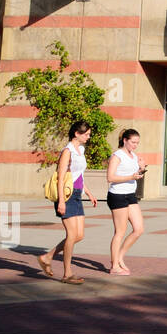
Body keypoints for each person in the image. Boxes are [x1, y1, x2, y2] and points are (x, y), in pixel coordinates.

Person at [38, 121, 98, 284]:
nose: (88, 137)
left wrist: (88, 191)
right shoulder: (67, 151)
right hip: (67, 196)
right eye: (86, 134)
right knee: (71, 235)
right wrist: (61, 202)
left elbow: (78, 174)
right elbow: (61, 177)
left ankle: (47, 257)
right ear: (76, 134)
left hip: (77, 193)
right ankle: (67, 274)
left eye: (89, 134)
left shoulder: (81, 150)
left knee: (79, 235)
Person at [106, 129, 148, 275]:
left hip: (130, 195)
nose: (135, 145)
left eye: (137, 142)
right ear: (125, 140)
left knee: (139, 229)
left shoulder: (133, 156)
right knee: (120, 232)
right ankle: (114, 266)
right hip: (117, 195)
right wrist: (131, 176)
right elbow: (110, 177)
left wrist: (142, 167)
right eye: (133, 142)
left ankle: (120, 257)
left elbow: (137, 175)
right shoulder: (117, 156)